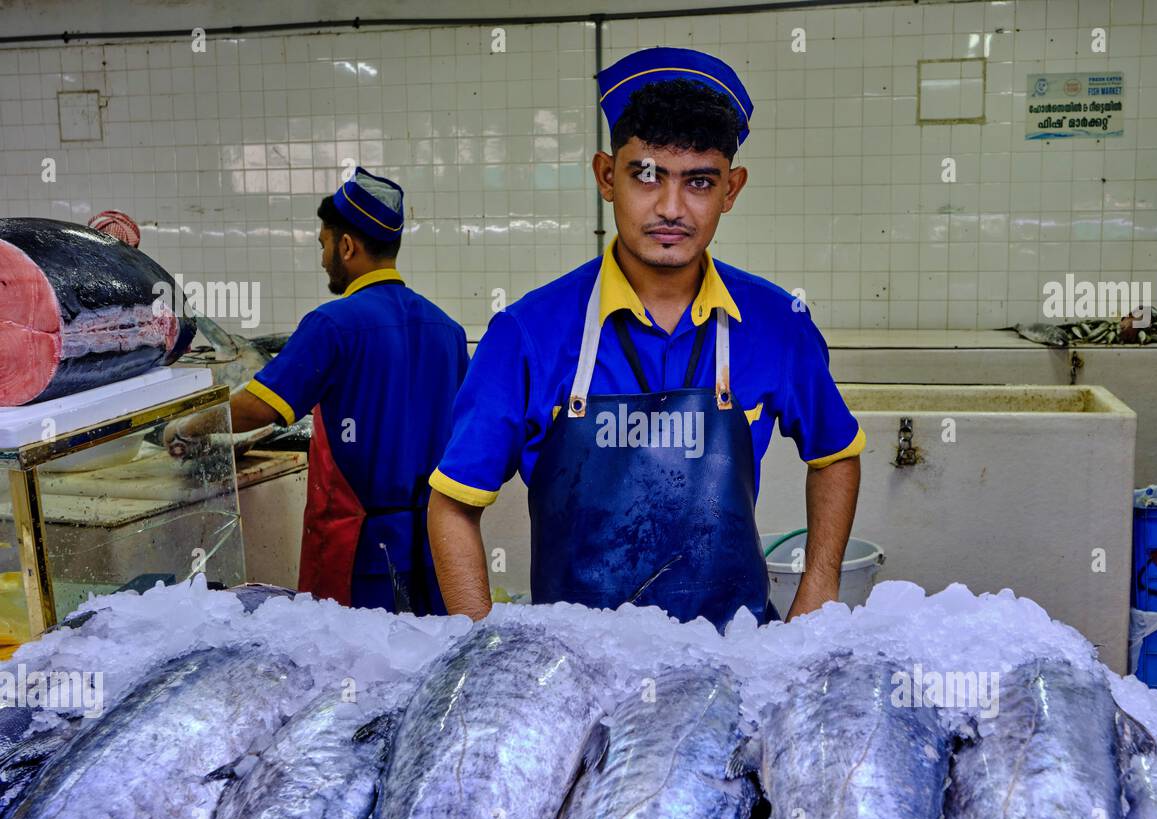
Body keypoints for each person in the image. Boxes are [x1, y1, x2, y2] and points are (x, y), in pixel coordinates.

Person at [428, 48, 863, 628]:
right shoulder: (527, 334)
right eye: (648, 175)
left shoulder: (778, 323)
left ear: (730, 190)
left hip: (731, 658)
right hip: (576, 665)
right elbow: (452, 503)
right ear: (607, 177)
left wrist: (818, 587)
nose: (671, 209)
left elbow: (836, 455)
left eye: (700, 182)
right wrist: (482, 646)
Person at [165, 168, 468, 614]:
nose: (323, 258)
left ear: (347, 246)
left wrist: (189, 427)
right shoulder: (448, 330)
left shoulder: (332, 324)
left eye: (324, 244)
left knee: (350, 667)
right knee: (423, 660)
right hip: (433, 542)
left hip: (359, 546)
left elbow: (256, 409)